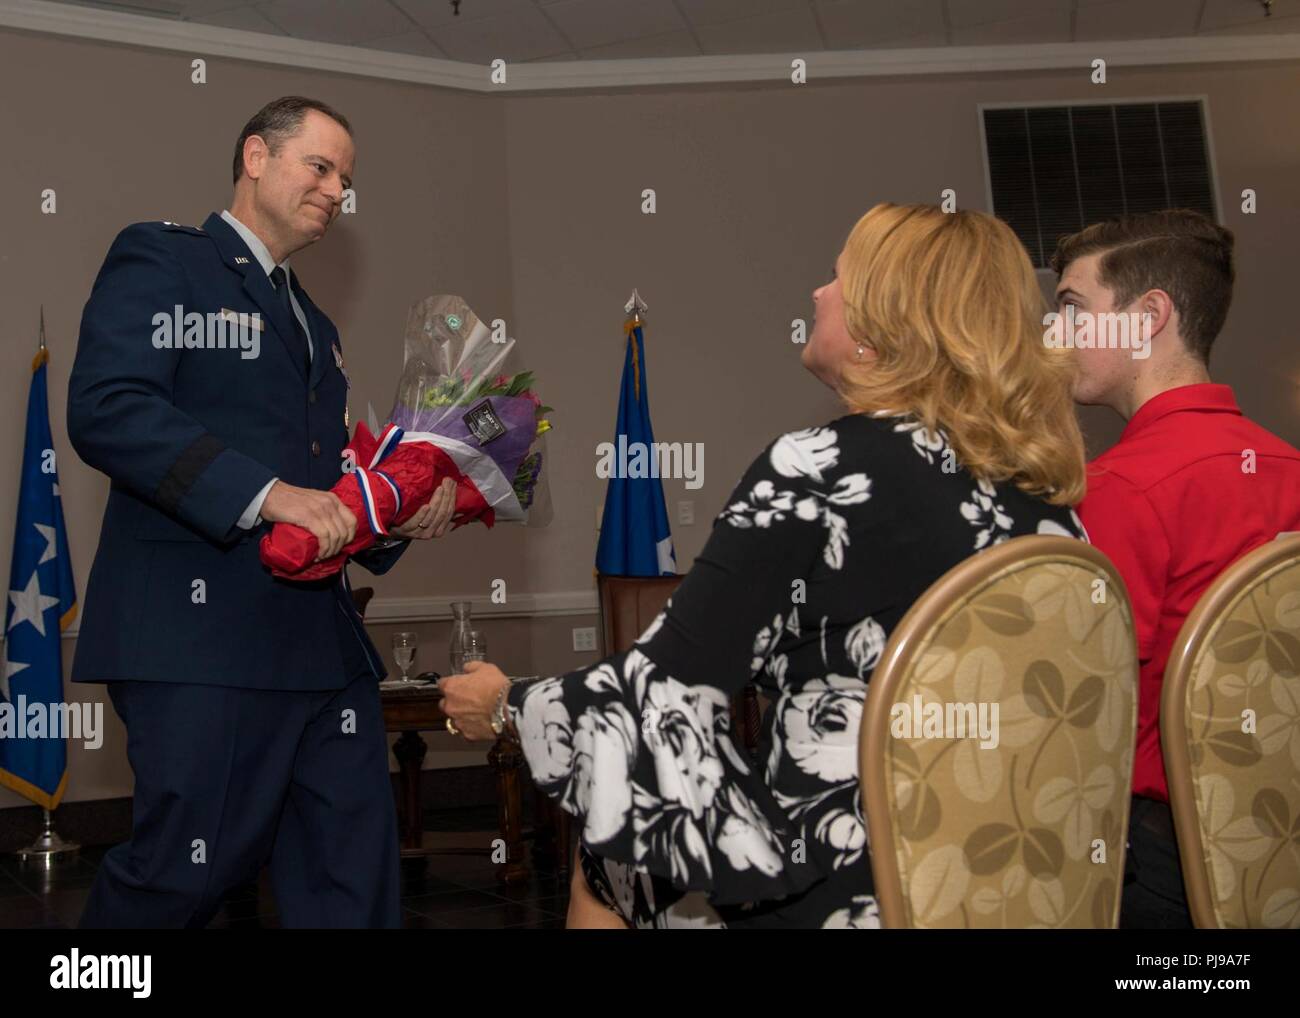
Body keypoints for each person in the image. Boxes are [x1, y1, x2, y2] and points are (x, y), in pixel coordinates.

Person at [440, 203, 1088, 928]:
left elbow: (659, 697)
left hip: (862, 886)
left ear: (881, 323)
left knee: (611, 853)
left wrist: (505, 704)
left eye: (838, 277)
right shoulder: (1050, 505)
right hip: (1024, 877)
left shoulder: (819, 470)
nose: (818, 292)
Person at [69, 96, 457, 928]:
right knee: (181, 880)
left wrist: (399, 508)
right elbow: (109, 407)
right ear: (255, 157)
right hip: (201, 637)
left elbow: (325, 486)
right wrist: (266, 495)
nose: (337, 190)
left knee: (352, 883)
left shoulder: (314, 322)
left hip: (324, 648)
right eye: (320, 166)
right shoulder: (166, 259)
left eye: (345, 179)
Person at [1051, 209, 1300, 928]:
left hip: (1163, 860)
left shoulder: (1120, 489)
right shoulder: (1287, 466)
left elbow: (1086, 717)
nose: (1055, 334)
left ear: (1148, 316)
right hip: (1275, 836)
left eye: (1073, 308)